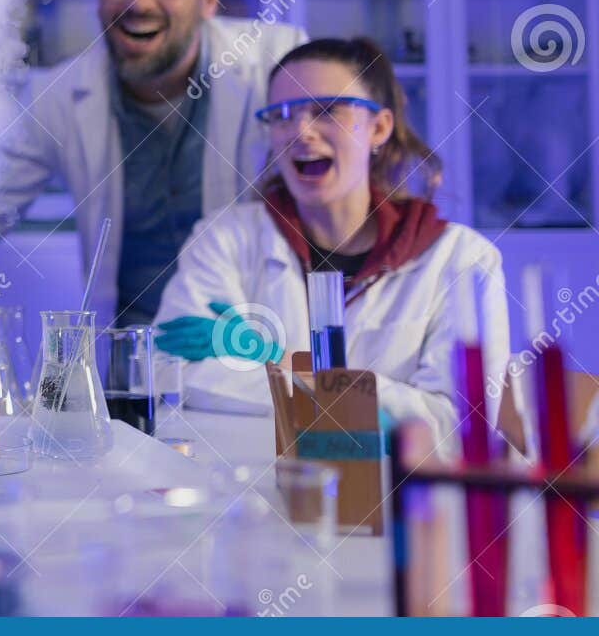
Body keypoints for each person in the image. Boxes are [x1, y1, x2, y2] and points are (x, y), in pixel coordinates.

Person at [152, 37, 513, 456]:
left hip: (403, 503)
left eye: (326, 110)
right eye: (282, 115)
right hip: (258, 491)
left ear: (379, 127)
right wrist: (358, 395)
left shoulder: (461, 259)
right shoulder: (225, 238)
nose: (301, 132)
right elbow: (171, 372)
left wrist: (296, 369)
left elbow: (458, 422)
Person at [0, 0, 308, 325]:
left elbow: (349, 191)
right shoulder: (58, 95)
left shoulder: (276, 64)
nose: (137, 1)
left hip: (255, 354)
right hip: (131, 365)